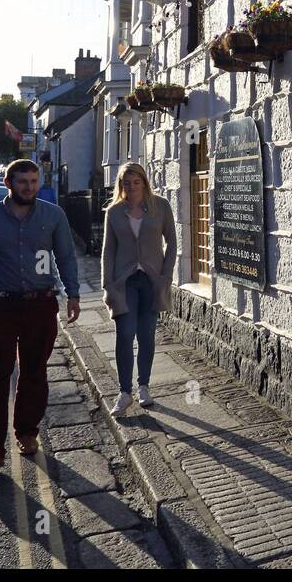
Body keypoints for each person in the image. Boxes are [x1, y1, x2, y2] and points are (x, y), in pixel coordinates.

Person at [0, 158, 81, 471]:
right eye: (22, 182)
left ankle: (27, 433)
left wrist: (74, 294)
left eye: (33, 181)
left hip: (40, 304)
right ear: (9, 183)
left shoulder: (53, 215)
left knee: (34, 372)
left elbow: (66, 257)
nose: (29, 187)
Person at [101, 163, 177, 415]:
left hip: (152, 281)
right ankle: (124, 393)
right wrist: (107, 284)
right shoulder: (113, 212)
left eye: (136, 182)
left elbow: (172, 242)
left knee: (146, 335)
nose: (131, 187)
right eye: (126, 183)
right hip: (123, 282)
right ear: (120, 185)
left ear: (144, 183)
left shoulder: (160, 206)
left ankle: (143, 386)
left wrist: (165, 276)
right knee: (125, 333)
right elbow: (108, 251)